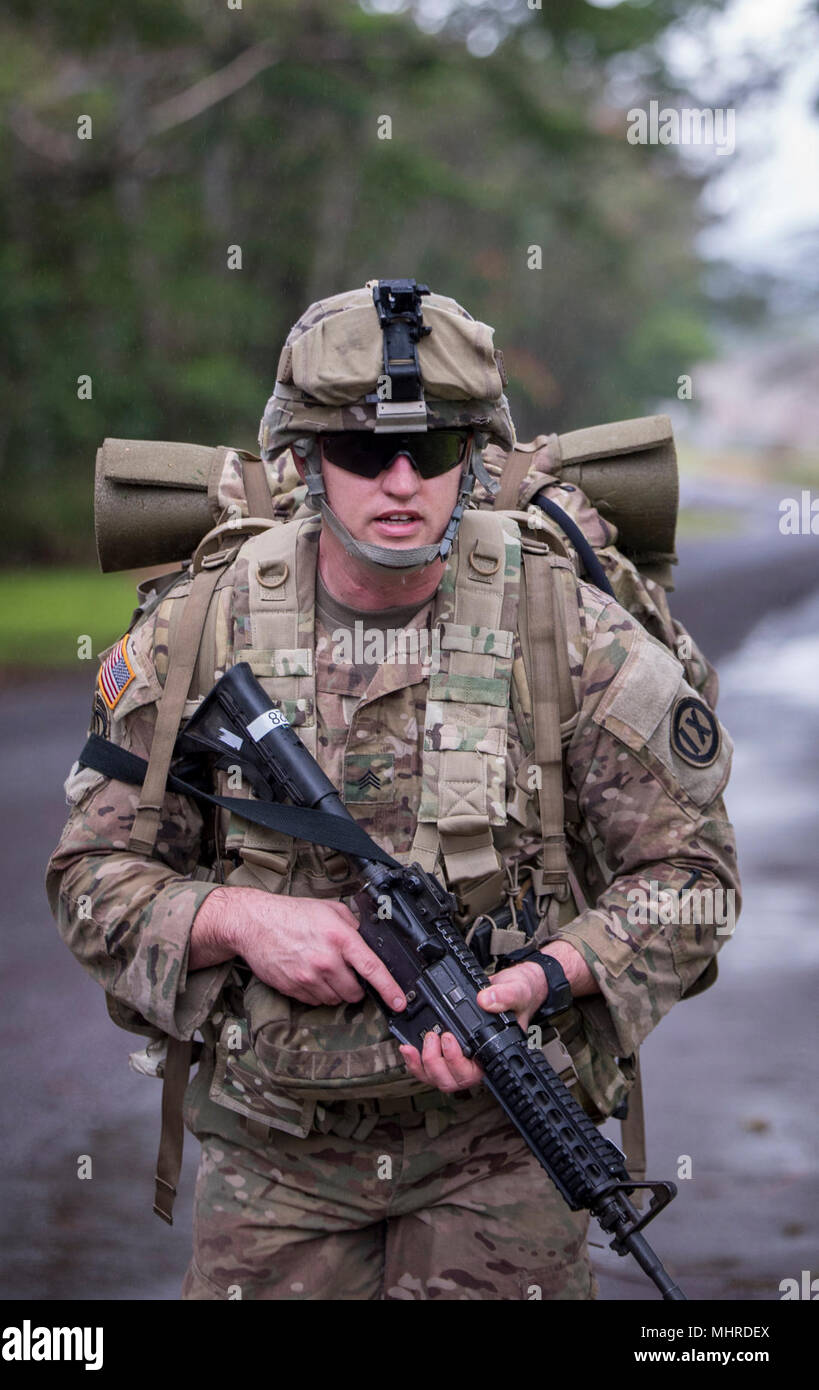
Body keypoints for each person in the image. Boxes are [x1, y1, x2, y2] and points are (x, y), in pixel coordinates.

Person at [46, 278, 740, 1301]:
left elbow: (693, 879)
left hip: (499, 1150)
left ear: (476, 457)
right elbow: (89, 878)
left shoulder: (569, 631)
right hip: (276, 1151)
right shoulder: (202, 629)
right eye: (366, 450)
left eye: (440, 449)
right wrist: (237, 918)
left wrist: (547, 976)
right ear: (305, 460)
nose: (404, 480)